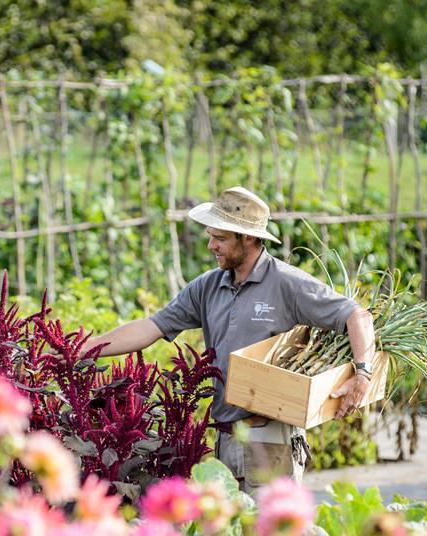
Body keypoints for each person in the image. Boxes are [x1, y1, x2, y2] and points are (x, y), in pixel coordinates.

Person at [83, 186, 376, 493]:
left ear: (248, 238)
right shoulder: (208, 286)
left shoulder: (286, 283)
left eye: (220, 238)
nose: (211, 245)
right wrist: (88, 349)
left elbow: (357, 317)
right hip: (225, 436)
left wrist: (363, 374)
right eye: (211, 236)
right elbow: (152, 327)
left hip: (269, 436)